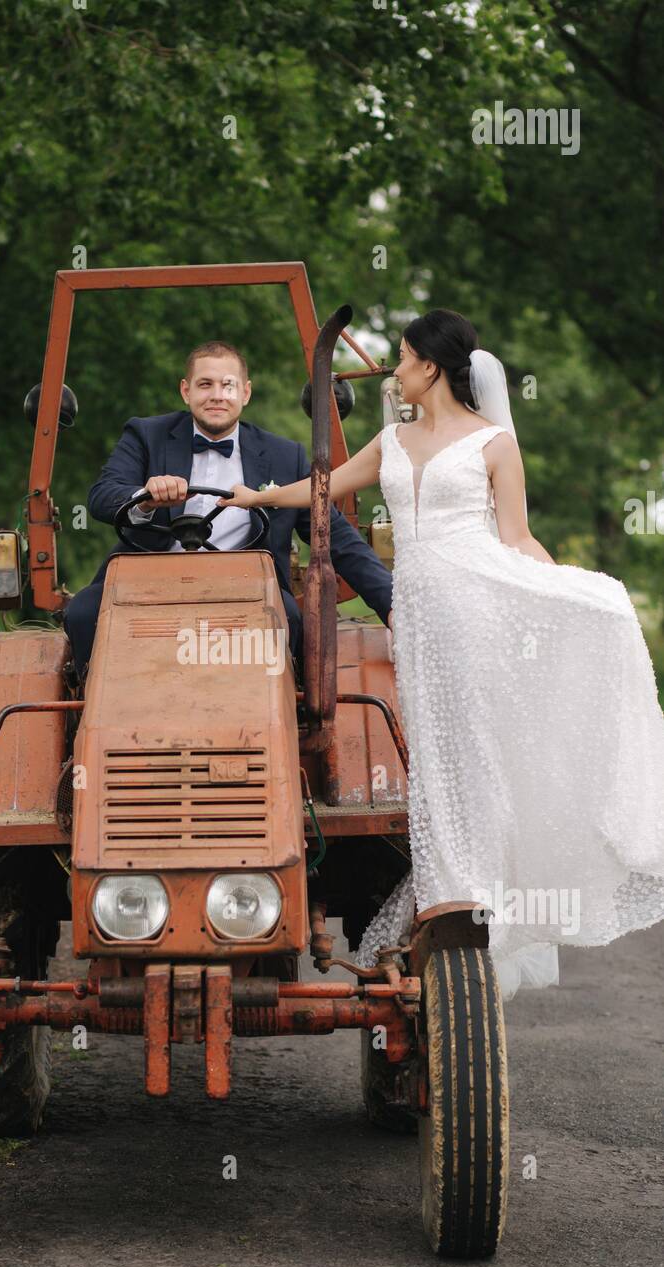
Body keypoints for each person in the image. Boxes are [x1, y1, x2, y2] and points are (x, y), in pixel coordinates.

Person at [219, 308, 664, 1002]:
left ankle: (479, 894)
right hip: (420, 615)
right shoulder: (392, 441)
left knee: (479, 743)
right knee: (435, 749)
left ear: (430, 367)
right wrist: (259, 495)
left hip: (477, 604)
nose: (394, 369)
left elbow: (516, 538)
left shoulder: (495, 445)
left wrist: (562, 592)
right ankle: (453, 886)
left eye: (402, 357)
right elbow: (324, 487)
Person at [63, 340, 395, 683]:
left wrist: (392, 607)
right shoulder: (147, 435)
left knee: (289, 618)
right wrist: (145, 498)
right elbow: (102, 496)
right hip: (147, 581)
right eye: (205, 384)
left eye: (228, 385)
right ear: (186, 391)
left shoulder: (284, 456)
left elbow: (335, 535)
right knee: (84, 612)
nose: (217, 396)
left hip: (248, 590)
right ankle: (92, 696)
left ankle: (288, 707)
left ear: (245, 393)